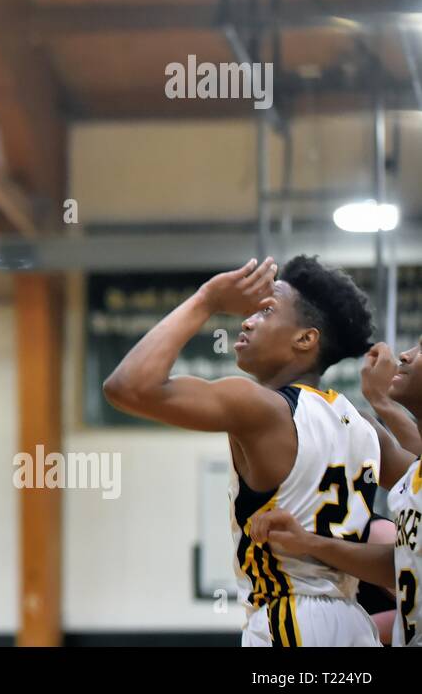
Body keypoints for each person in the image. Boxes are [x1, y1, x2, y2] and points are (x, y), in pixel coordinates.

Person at [103, 255, 381, 646]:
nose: (247, 320)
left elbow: (127, 386)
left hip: (291, 619)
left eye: (266, 311)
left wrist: (208, 298)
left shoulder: (260, 406)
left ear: (306, 338)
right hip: (354, 623)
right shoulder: (364, 425)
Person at [252, 335, 422, 646]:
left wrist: (207, 301)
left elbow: (139, 387)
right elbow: (396, 565)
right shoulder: (413, 481)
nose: (406, 355)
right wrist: (310, 543)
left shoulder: (378, 525)